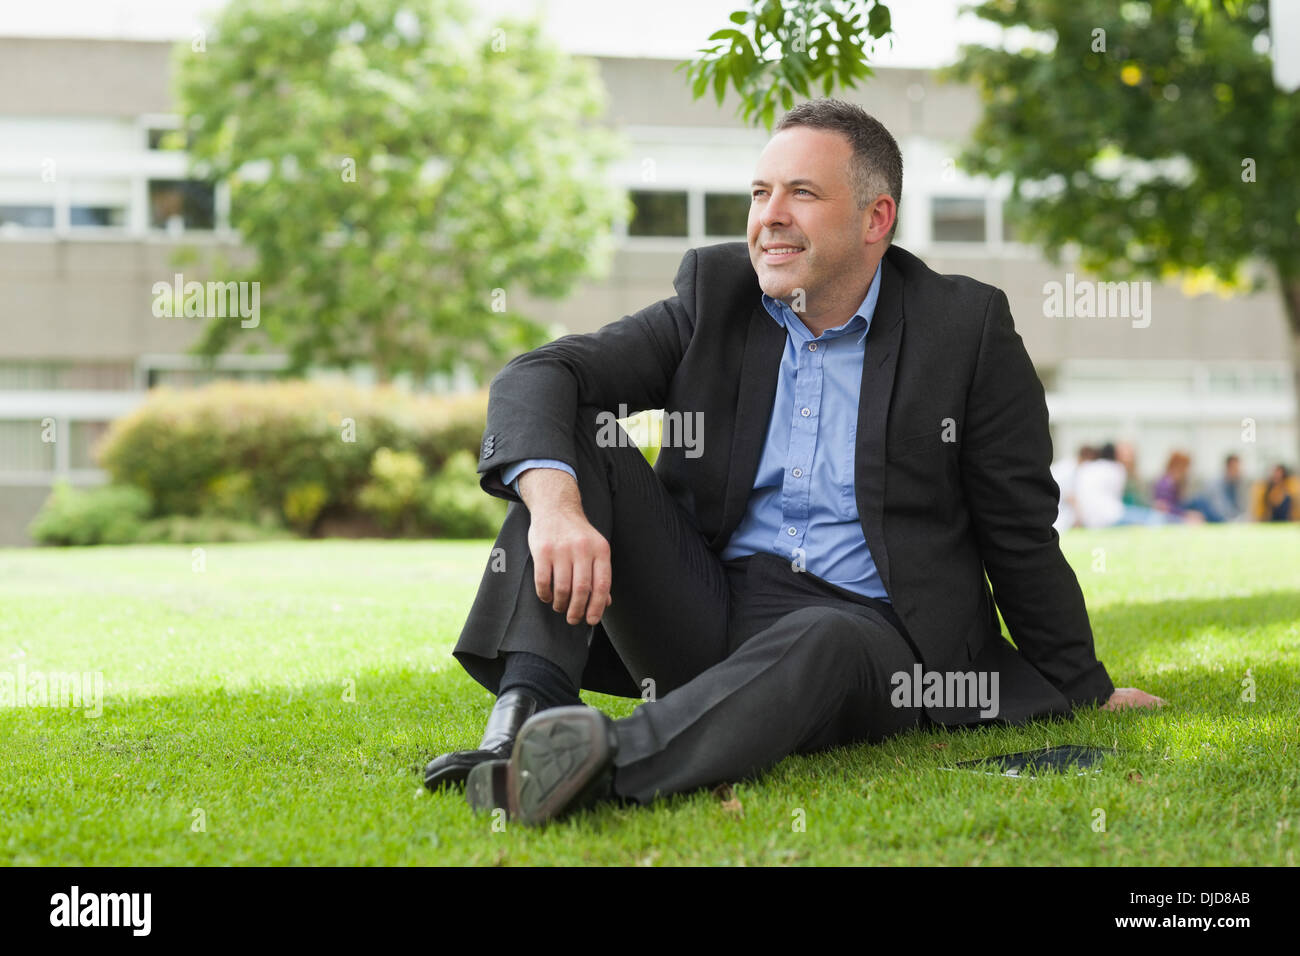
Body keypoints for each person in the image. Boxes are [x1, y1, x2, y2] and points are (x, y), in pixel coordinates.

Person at [424, 99, 1165, 826]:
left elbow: (1019, 528)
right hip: (709, 609)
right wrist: (558, 509)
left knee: (825, 634)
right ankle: (524, 719)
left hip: (876, 644)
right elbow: (539, 375)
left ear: (876, 219)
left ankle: (602, 763)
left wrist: (1080, 684)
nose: (769, 214)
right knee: (574, 441)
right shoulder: (716, 297)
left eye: (802, 193)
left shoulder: (963, 329)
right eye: (759, 192)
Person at [1186, 454, 1245, 523]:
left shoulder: (1234, 485)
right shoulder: (1216, 485)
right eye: (1236, 468)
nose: (1238, 471)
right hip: (1207, 515)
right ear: (1228, 467)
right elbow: (1219, 510)